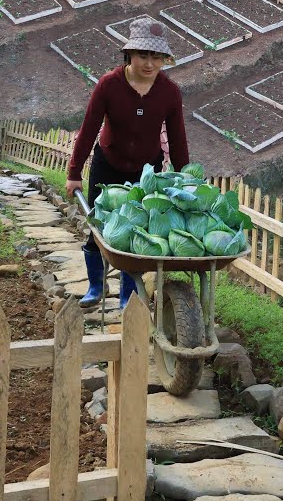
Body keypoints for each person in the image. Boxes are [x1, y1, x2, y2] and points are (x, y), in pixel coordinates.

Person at [65, 17, 190, 309]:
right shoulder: (109, 85)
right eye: (143, 55)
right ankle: (96, 287)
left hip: (146, 173)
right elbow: (87, 130)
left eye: (156, 57)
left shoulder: (169, 92)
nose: (149, 64)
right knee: (99, 230)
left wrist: (185, 180)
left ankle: (127, 298)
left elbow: (178, 139)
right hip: (107, 165)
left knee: (137, 236)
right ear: (129, 54)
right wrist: (74, 173)